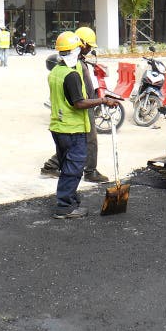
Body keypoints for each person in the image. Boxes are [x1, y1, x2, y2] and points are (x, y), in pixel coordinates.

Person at [47, 32, 119, 219]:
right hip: (72, 129)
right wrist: (103, 100)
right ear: (74, 51)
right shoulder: (71, 75)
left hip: (58, 127)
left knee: (67, 167)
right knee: (74, 168)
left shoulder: (56, 71)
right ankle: (64, 207)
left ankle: (70, 199)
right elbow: (78, 103)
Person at [41, 26, 109, 183]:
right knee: (89, 140)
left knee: (70, 145)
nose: (91, 48)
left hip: (69, 111)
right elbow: (79, 97)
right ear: (81, 44)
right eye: (90, 45)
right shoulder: (74, 65)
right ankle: (90, 171)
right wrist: (101, 100)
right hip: (79, 108)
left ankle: (51, 166)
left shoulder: (68, 63)